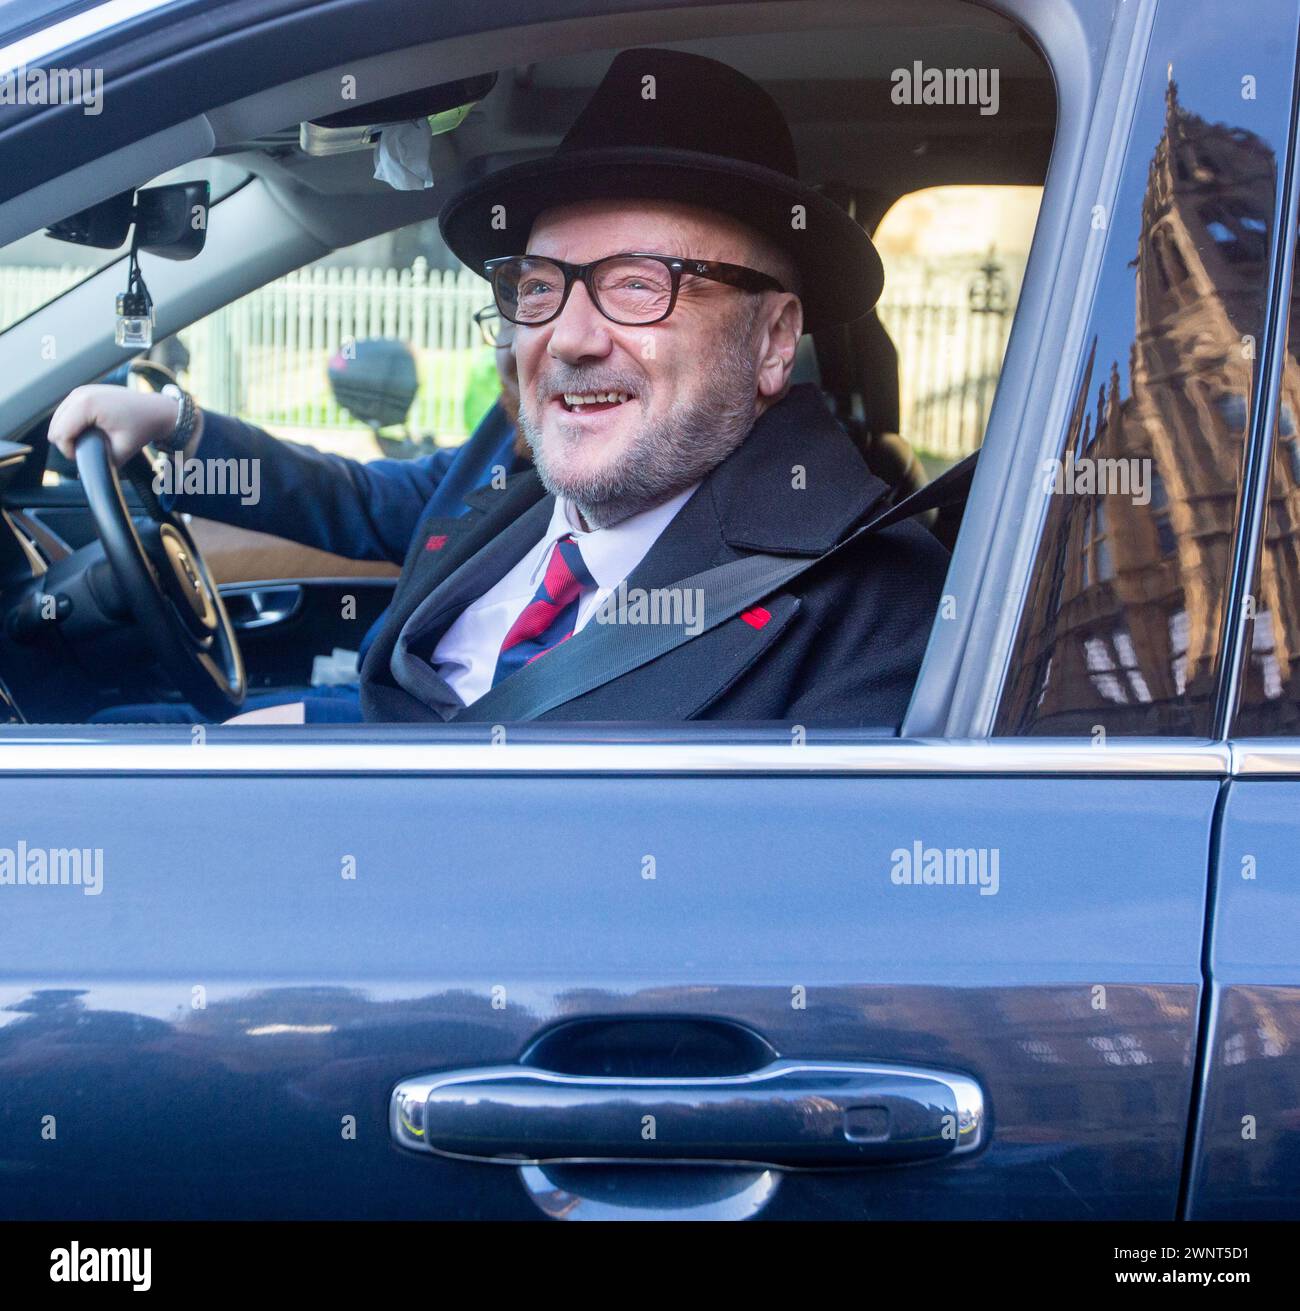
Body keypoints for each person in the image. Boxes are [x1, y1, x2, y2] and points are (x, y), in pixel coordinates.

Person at [51, 313, 529, 722]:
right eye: (527, 296)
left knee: (99, 741)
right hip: (390, 701)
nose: (517, 348)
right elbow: (369, 499)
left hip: (425, 739)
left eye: (608, 290)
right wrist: (179, 425)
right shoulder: (522, 423)